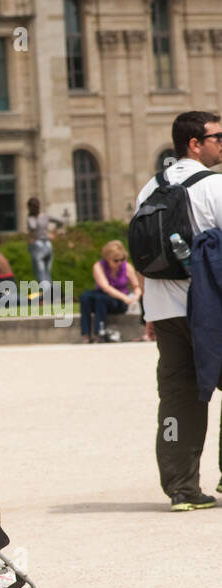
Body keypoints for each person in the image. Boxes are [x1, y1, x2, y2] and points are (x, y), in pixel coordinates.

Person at [138, 110, 222, 511]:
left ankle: (181, 489)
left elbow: (141, 254)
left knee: (176, 396)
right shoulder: (213, 186)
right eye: (217, 137)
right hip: (207, 307)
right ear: (194, 143)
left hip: (163, 307)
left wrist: (148, 312)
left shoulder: (150, 187)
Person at [78, 240, 141, 343]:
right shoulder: (99, 266)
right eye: (116, 260)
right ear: (107, 258)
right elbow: (105, 287)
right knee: (85, 297)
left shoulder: (127, 267)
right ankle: (86, 334)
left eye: (122, 259)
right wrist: (125, 297)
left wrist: (134, 297)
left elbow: (136, 286)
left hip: (118, 302)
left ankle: (99, 332)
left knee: (100, 299)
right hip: (107, 295)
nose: (119, 262)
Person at [25, 197, 58, 291]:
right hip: (48, 245)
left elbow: (32, 228)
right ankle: (51, 294)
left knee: (41, 273)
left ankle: (46, 295)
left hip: (38, 245)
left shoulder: (31, 219)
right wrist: (53, 233)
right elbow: (60, 222)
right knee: (47, 273)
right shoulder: (46, 216)